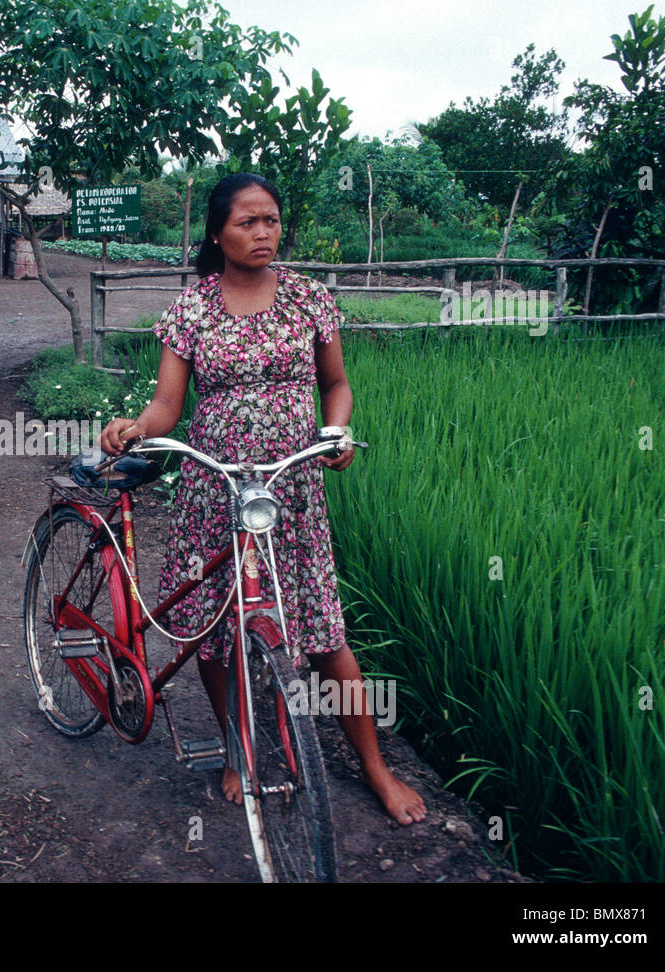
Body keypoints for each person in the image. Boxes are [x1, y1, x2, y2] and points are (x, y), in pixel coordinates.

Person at [98, 173, 426, 825]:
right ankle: (236, 749)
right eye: (248, 222)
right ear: (218, 232)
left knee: (327, 636)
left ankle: (375, 768)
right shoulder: (192, 308)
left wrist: (336, 431)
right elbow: (168, 405)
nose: (263, 233)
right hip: (213, 489)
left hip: (291, 492)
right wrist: (135, 427)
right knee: (215, 636)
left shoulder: (308, 298)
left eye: (272, 220)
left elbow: (336, 385)